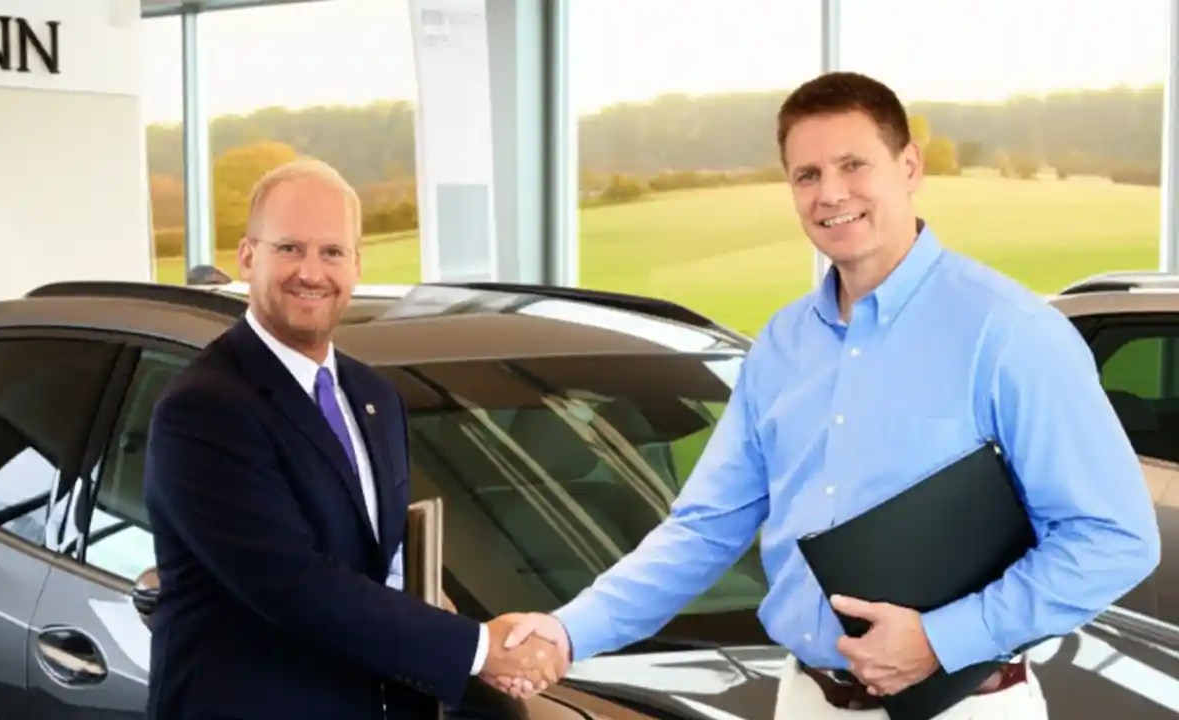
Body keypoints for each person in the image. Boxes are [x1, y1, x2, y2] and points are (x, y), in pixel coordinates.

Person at [492, 71, 1162, 718]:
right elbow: (706, 527)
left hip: (964, 709)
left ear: (909, 166)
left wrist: (942, 639)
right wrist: (568, 631)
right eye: (807, 175)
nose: (830, 193)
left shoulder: (1009, 332)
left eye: (853, 165)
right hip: (806, 700)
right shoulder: (781, 346)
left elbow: (1116, 539)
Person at [142, 158, 564, 720]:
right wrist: (480, 649)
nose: (311, 272)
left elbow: (382, 562)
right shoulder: (205, 409)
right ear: (247, 256)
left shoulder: (374, 396)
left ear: (356, 265)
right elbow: (295, 587)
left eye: (332, 252)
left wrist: (459, 630)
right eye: (290, 248)